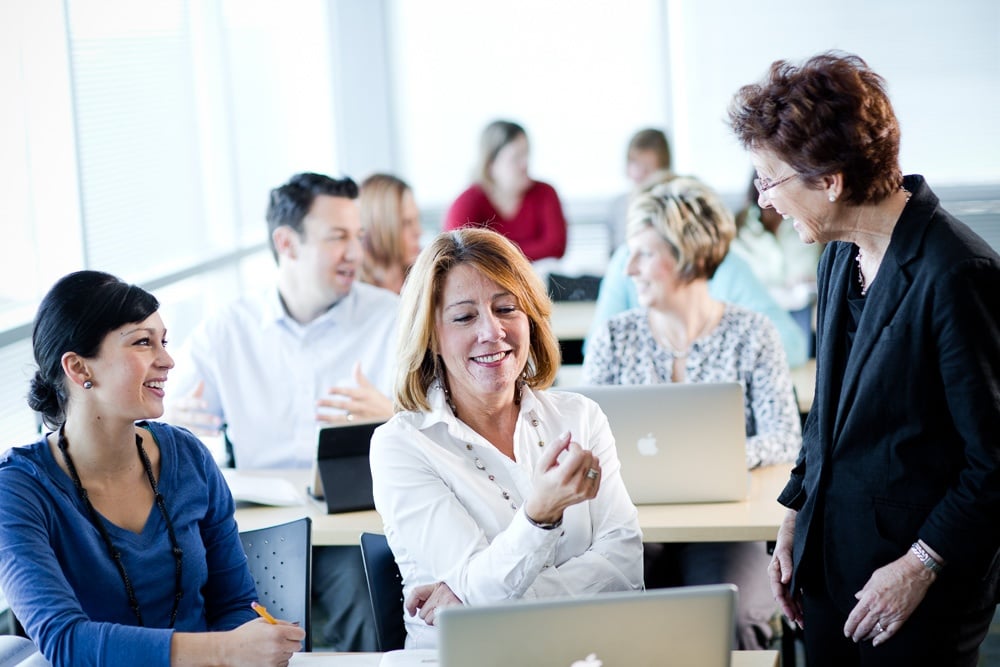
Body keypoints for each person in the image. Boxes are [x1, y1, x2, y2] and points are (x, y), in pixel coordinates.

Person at [729, 51, 1000, 666]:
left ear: (829, 181)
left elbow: (993, 462)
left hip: (918, 583)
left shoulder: (957, 271)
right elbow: (831, 409)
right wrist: (797, 510)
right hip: (835, 565)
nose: (764, 202)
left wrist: (919, 565)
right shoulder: (837, 251)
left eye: (769, 181)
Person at [0, 271, 305, 667]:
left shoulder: (189, 456)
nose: (167, 360)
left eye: (164, 341)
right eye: (143, 343)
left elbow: (234, 604)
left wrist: (242, 647)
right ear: (79, 369)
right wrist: (224, 651)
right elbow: (65, 640)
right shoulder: (18, 491)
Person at [369, 228, 644, 649]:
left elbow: (625, 568)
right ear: (431, 337)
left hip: (585, 650)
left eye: (506, 308)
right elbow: (479, 606)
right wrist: (540, 516)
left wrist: (481, 598)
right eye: (464, 317)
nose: (493, 331)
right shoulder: (401, 446)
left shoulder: (579, 417)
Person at [167, 172, 398, 651]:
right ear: (287, 243)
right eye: (337, 238)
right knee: (246, 629)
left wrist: (398, 415)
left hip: (351, 532)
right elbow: (163, 415)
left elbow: (444, 420)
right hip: (253, 534)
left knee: (363, 609)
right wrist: (175, 420)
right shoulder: (227, 330)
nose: (356, 252)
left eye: (358, 236)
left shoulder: (391, 317)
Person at [582, 177, 801, 649]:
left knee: (735, 617)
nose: (630, 270)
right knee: (620, 612)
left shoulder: (752, 333)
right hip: (633, 523)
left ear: (686, 253)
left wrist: (715, 460)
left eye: (642, 254)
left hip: (727, 524)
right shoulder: (615, 337)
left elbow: (785, 437)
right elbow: (585, 439)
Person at [587, 154, 809, 371]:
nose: (631, 268)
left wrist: (707, 360)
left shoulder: (726, 265)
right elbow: (597, 349)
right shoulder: (625, 261)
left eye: (648, 250)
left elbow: (791, 346)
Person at [443, 120, 568, 262]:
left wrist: (493, 256)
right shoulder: (466, 203)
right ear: (491, 164)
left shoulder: (545, 193)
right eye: (516, 158)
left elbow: (555, 247)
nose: (525, 164)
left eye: (526, 154)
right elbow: (458, 256)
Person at [730, 173, 822, 354]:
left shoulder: (807, 225)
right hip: (756, 322)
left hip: (805, 319)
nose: (772, 206)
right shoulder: (739, 229)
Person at [605, 128, 674, 255]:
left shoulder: (673, 203)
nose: (639, 172)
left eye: (647, 167)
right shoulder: (618, 205)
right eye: (635, 163)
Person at [358, 173, 423, 294]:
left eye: (417, 219)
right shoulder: (354, 294)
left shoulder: (425, 279)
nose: (419, 232)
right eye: (406, 223)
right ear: (378, 227)